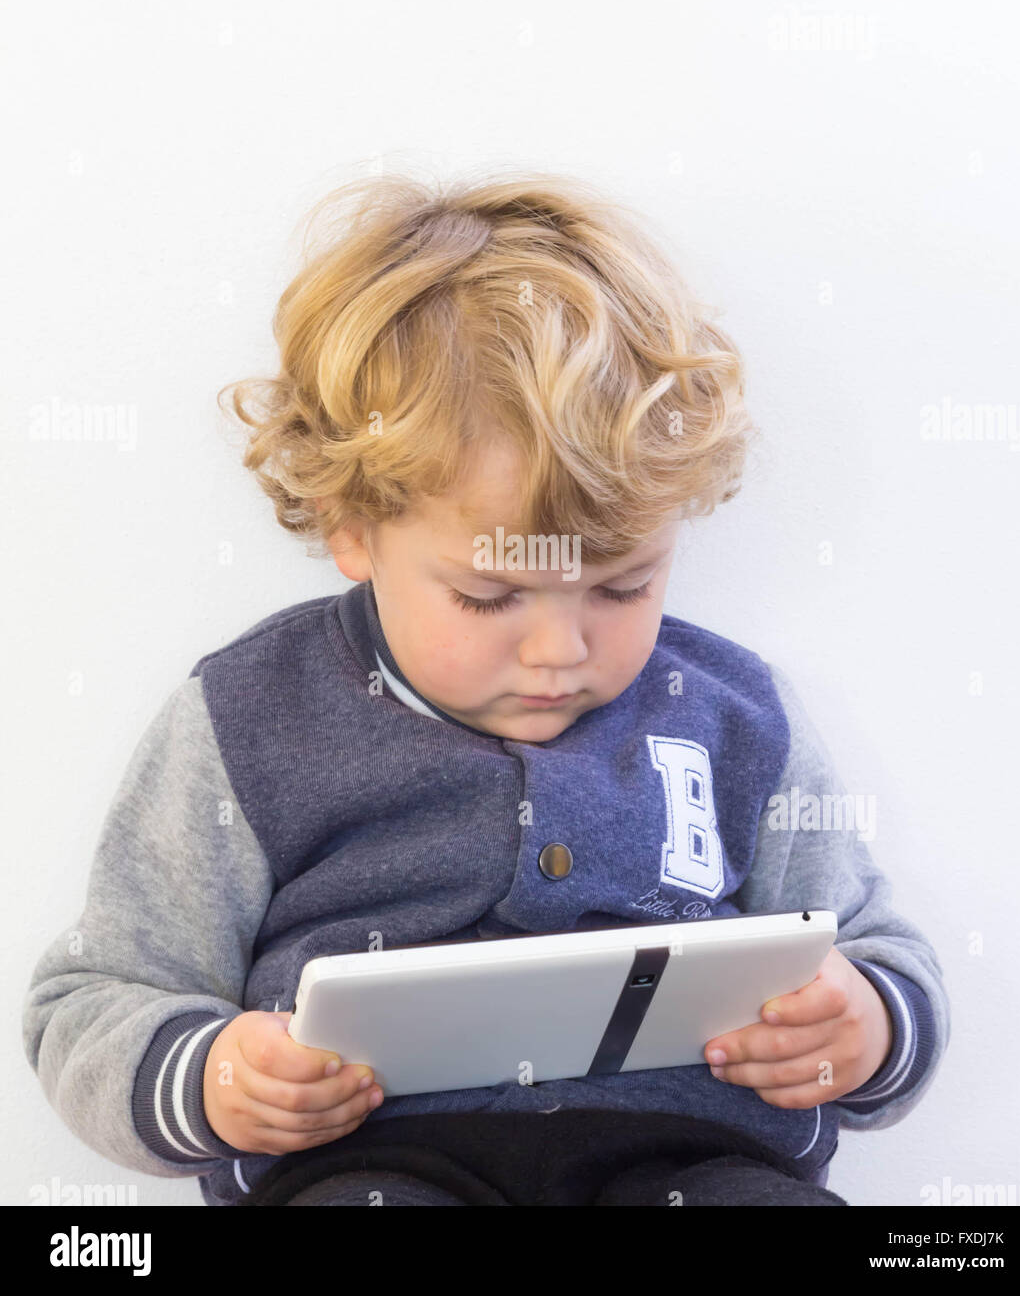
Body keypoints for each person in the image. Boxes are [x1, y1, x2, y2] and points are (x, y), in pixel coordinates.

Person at [23, 170, 949, 1206]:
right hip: (370, 1167)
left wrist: (862, 1023)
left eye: (623, 583)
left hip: (695, 1164)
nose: (559, 650)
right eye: (489, 595)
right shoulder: (248, 718)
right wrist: (213, 1075)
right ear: (354, 527)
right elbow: (90, 998)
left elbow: (875, 945)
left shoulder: (736, 714)